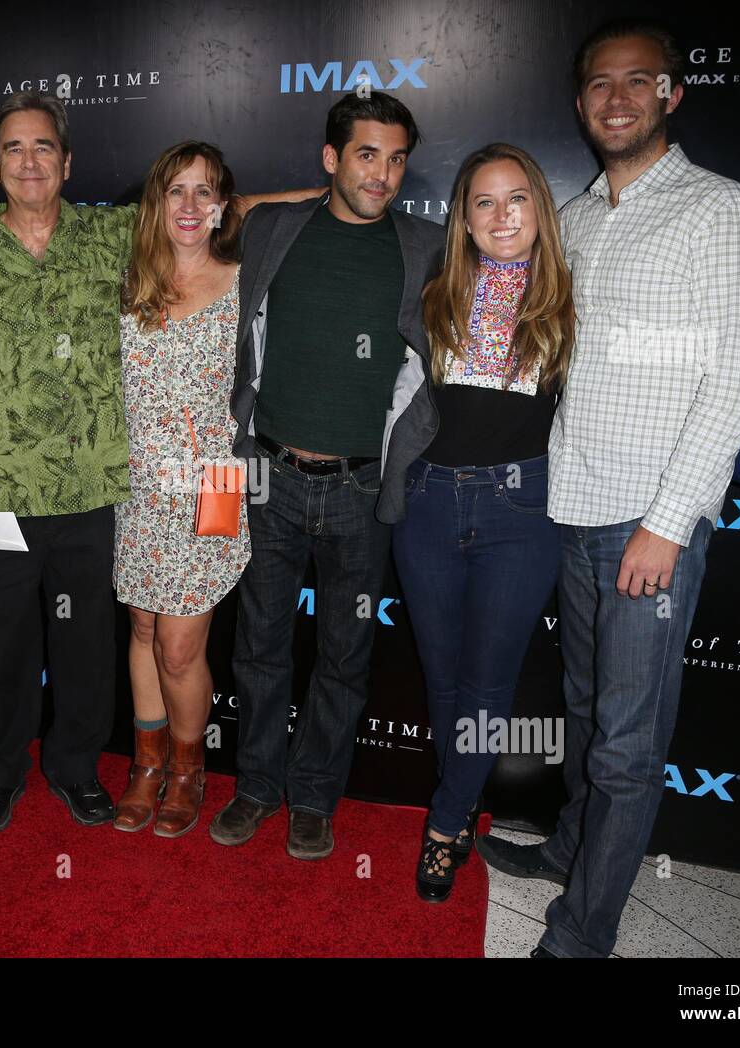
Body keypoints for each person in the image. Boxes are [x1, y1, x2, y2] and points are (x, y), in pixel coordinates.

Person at [0, 92, 314, 834]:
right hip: (76, 485)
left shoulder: (176, 257)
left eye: (45, 147)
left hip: (186, 481)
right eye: (15, 148)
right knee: (81, 638)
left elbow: (230, 206)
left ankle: (153, 770)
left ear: (67, 162)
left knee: (154, 641)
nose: (31, 161)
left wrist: (339, 193)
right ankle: (67, 771)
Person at [475, 20, 740, 957]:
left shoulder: (718, 210)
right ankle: (571, 849)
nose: (616, 98)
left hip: (648, 522)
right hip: (571, 508)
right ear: (580, 102)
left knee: (627, 745)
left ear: (671, 94)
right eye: (600, 84)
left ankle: (582, 934)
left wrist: (669, 524)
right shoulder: (573, 216)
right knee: (585, 712)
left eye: (637, 81)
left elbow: (732, 385)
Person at [215, 91, 446, 860]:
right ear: (331, 159)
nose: (382, 174)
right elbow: (222, 209)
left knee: (346, 656)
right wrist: (305, 196)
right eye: (365, 155)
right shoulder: (276, 228)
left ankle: (314, 798)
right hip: (268, 480)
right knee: (259, 649)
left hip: (360, 490)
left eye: (396, 157)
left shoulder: (425, 246)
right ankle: (255, 787)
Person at [393, 143, 574, 902]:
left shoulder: (571, 300)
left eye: (518, 200)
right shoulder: (433, 294)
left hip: (521, 508)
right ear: (462, 220)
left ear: (540, 210)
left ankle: (445, 824)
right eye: (484, 203)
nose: (503, 216)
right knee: (442, 678)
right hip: (430, 503)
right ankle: (461, 799)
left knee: (488, 683)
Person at [112, 141, 249, 837]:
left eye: (206, 191)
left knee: (179, 646)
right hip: (135, 484)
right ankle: (146, 764)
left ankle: (190, 770)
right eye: (177, 191)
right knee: (140, 627)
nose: (191, 206)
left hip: (213, 482)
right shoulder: (130, 280)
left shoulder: (244, 280)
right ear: (157, 202)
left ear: (224, 203)